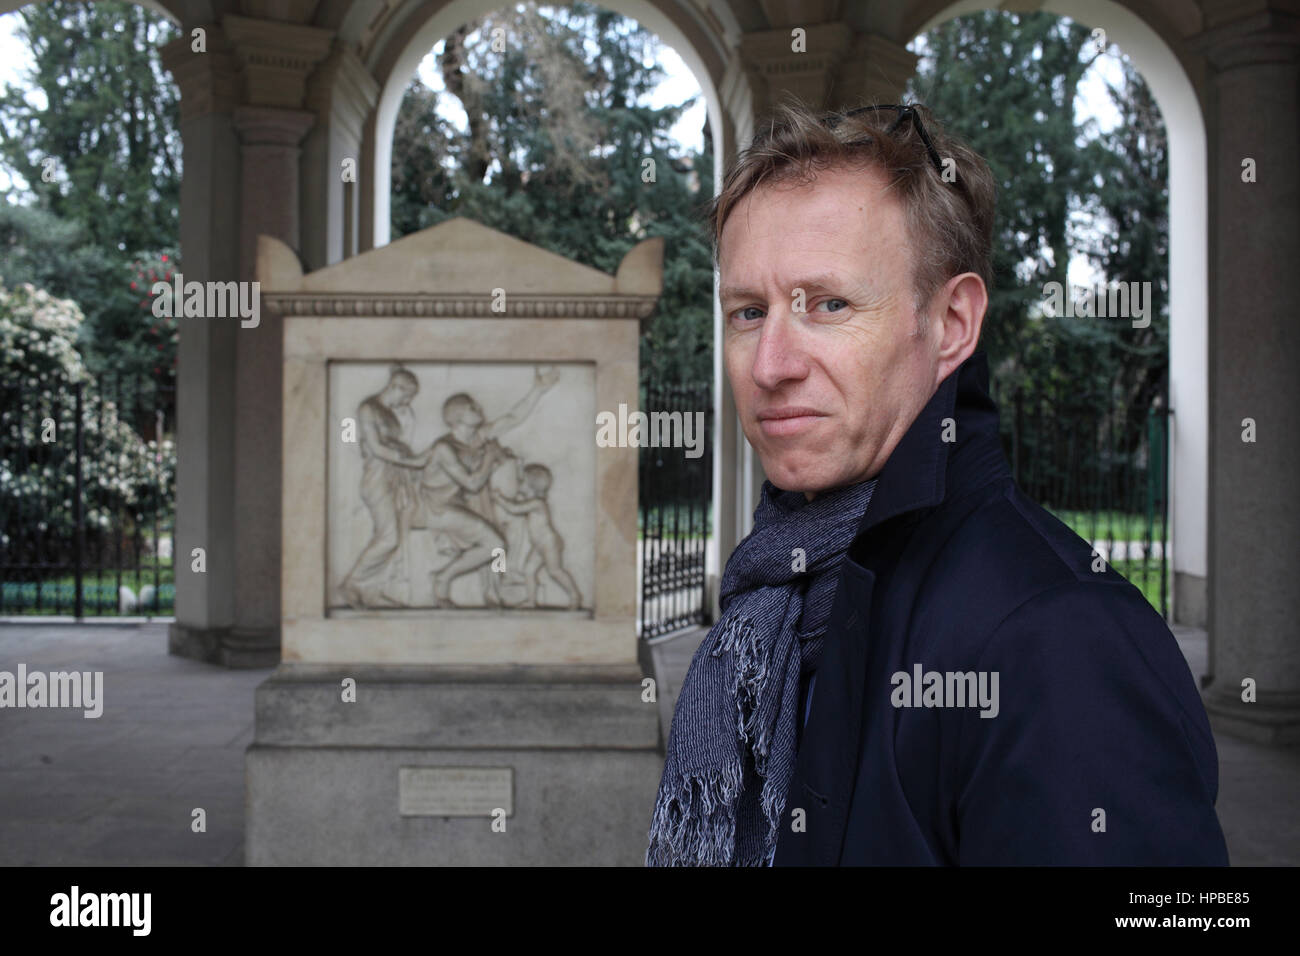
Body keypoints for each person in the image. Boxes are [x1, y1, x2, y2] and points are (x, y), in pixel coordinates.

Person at [646, 101, 1228, 866]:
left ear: (952, 323)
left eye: (828, 305)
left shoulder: (1058, 640)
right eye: (748, 312)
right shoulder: (774, 596)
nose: (770, 366)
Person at [340, 366, 429, 608]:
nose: (407, 401)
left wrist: (414, 462)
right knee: (389, 537)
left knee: (394, 536)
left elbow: (396, 443)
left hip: (396, 478)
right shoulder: (367, 408)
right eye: (407, 395)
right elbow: (377, 448)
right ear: (395, 387)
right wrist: (411, 460)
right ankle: (351, 583)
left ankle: (372, 590)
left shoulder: (389, 413)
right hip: (377, 478)